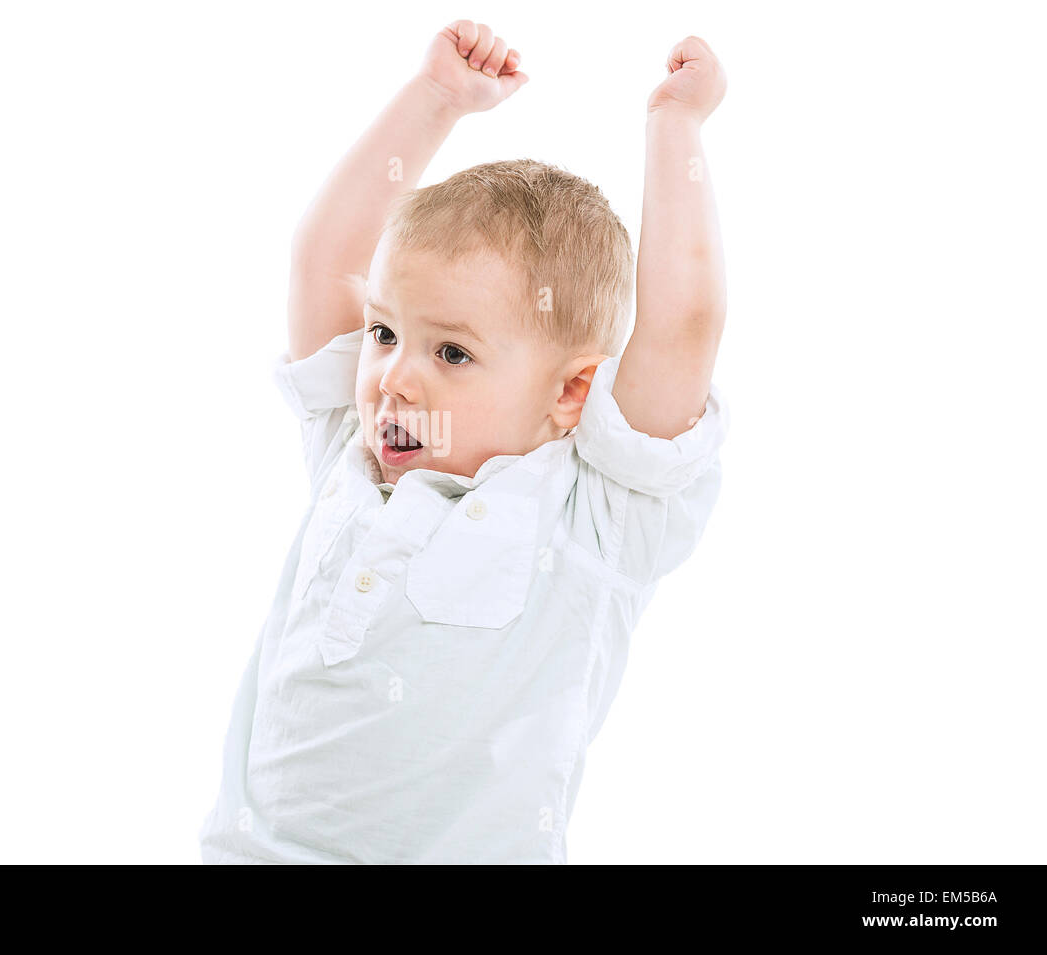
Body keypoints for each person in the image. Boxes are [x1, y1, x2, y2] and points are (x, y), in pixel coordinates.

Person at [199, 22, 731, 863]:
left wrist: (676, 128)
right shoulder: (356, 452)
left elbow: (681, 328)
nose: (394, 378)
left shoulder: (592, 519)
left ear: (570, 393)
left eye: (451, 352)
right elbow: (324, 258)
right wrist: (435, 100)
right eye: (383, 333)